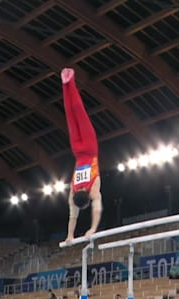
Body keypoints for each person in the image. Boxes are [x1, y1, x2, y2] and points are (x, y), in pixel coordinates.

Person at [62, 68, 103, 244]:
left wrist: (93, 228)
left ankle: (70, 82)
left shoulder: (93, 189)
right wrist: (69, 235)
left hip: (90, 147)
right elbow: (72, 216)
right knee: (71, 114)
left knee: (79, 112)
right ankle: (66, 83)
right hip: (76, 150)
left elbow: (97, 209)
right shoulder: (72, 191)